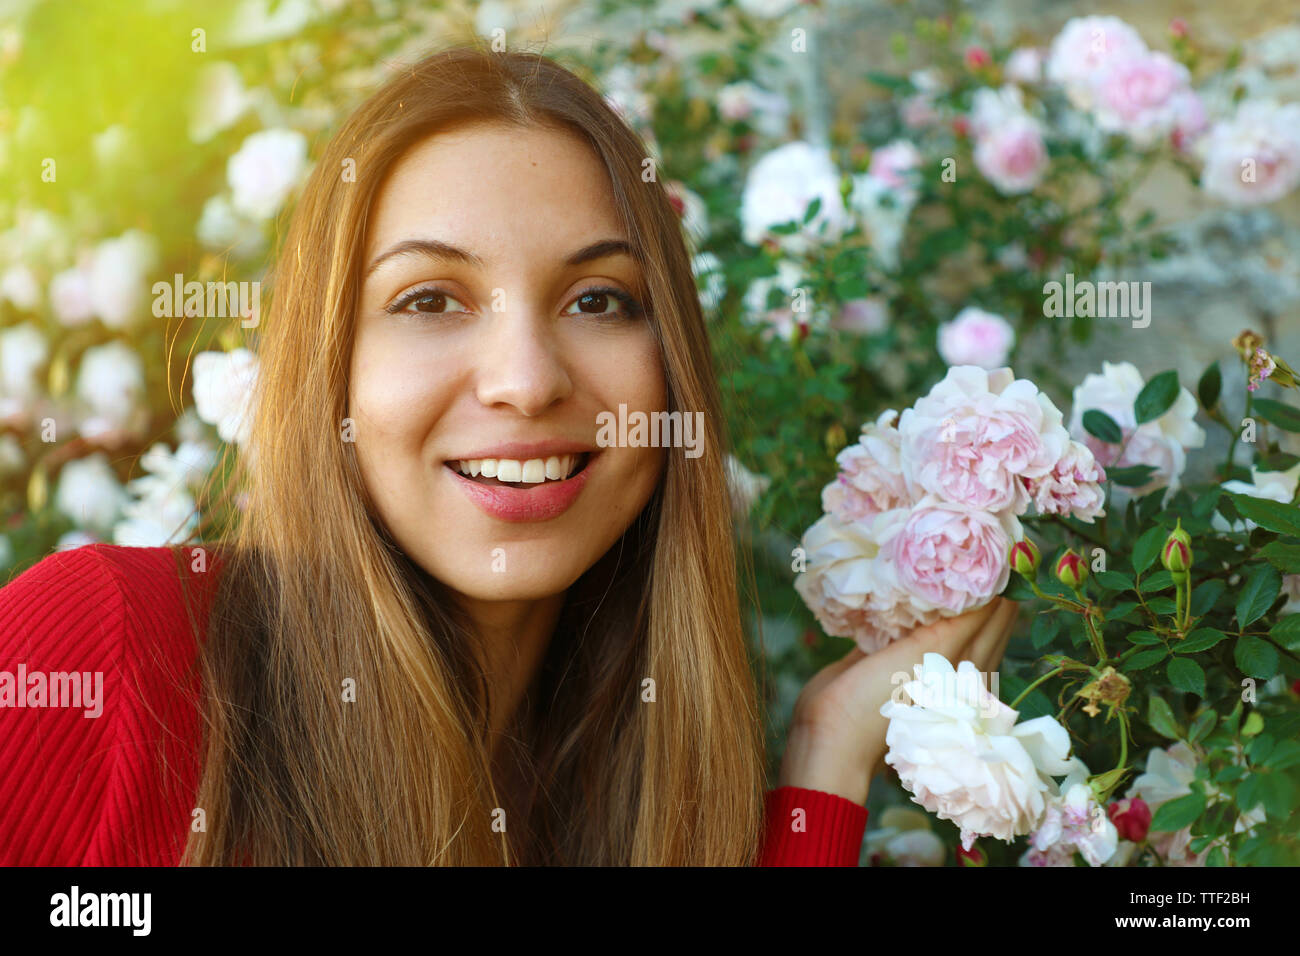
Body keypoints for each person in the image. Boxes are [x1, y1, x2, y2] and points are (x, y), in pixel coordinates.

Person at [0, 43, 1014, 866]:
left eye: (598, 300)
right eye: (429, 299)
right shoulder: (106, 655)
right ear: (328, 370)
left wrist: (824, 758)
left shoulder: (638, 801)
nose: (526, 380)